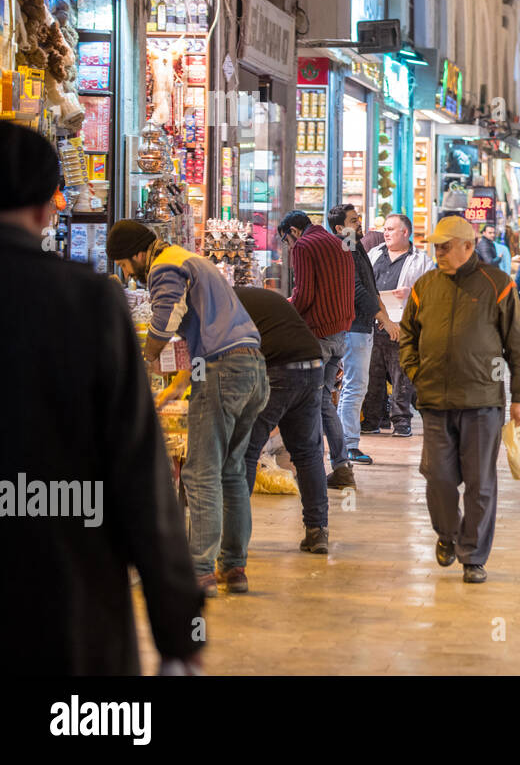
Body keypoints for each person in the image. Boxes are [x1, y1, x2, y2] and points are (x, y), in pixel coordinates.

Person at [3, 122, 204, 673]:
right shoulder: (89, 303)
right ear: (48, 210)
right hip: (68, 597)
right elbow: (139, 474)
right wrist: (180, 631)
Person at [107, 219, 268, 596]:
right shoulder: (194, 260)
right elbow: (200, 334)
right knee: (230, 471)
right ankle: (234, 567)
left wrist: (141, 366)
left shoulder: (166, 266)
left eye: (125, 265)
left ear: (137, 253)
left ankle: (199, 571)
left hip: (222, 371)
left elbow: (164, 322)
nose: (127, 273)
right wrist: (180, 385)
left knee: (201, 473)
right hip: (253, 369)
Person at [400, 215, 520, 584]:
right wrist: (415, 371)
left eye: (445, 247)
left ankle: (473, 555)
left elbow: (517, 345)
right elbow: (408, 334)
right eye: (436, 247)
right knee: (438, 476)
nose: (438, 253)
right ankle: (447, 533)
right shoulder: (424, 286)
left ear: (468, 247)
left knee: (480, 482)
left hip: (482, 401)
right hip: (434, 400)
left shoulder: (498, 284)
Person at [235, 286, 331, 554]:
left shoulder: (222, 305)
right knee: (308, 453)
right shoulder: (257, 297)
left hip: (278, 371)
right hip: (313, 366)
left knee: (245, 451)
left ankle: (234, 539)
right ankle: (317, 531)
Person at [279, 210, 356, 489]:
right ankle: (342, 467)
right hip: (340, 333)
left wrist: (285, 311)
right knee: (324, 400)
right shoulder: (339, 242)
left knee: (310, 402)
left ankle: (311, 470)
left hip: (319, 335)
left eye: (286, 241)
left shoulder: (303, 246)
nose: (289, 247)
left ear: (294, 232)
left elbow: (305, 294)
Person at [328, 203, 397, 467]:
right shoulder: (344, 249)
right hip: (354, 326)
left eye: (358, 219)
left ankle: (346, 444)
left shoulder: (356, 247)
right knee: (354, 387)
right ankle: (348, 445)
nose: (359, 223)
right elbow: (356, 289)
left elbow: (371, 288)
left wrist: (385, 318)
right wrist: (384, 320)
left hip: (362, 326)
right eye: (353, 220)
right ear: (339, 228)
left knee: (356, 386)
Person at [363, 213, 434, 437]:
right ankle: (372, 419)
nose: (386, 233)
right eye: (385, 228)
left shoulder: (421, 260)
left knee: (401, 377)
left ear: (405, 233)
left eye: (391, 229)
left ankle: (402, 422)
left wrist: (412, 292)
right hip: (374, 324)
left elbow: (435, 292)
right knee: (373, 376)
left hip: (402, 326)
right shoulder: (374, 254)